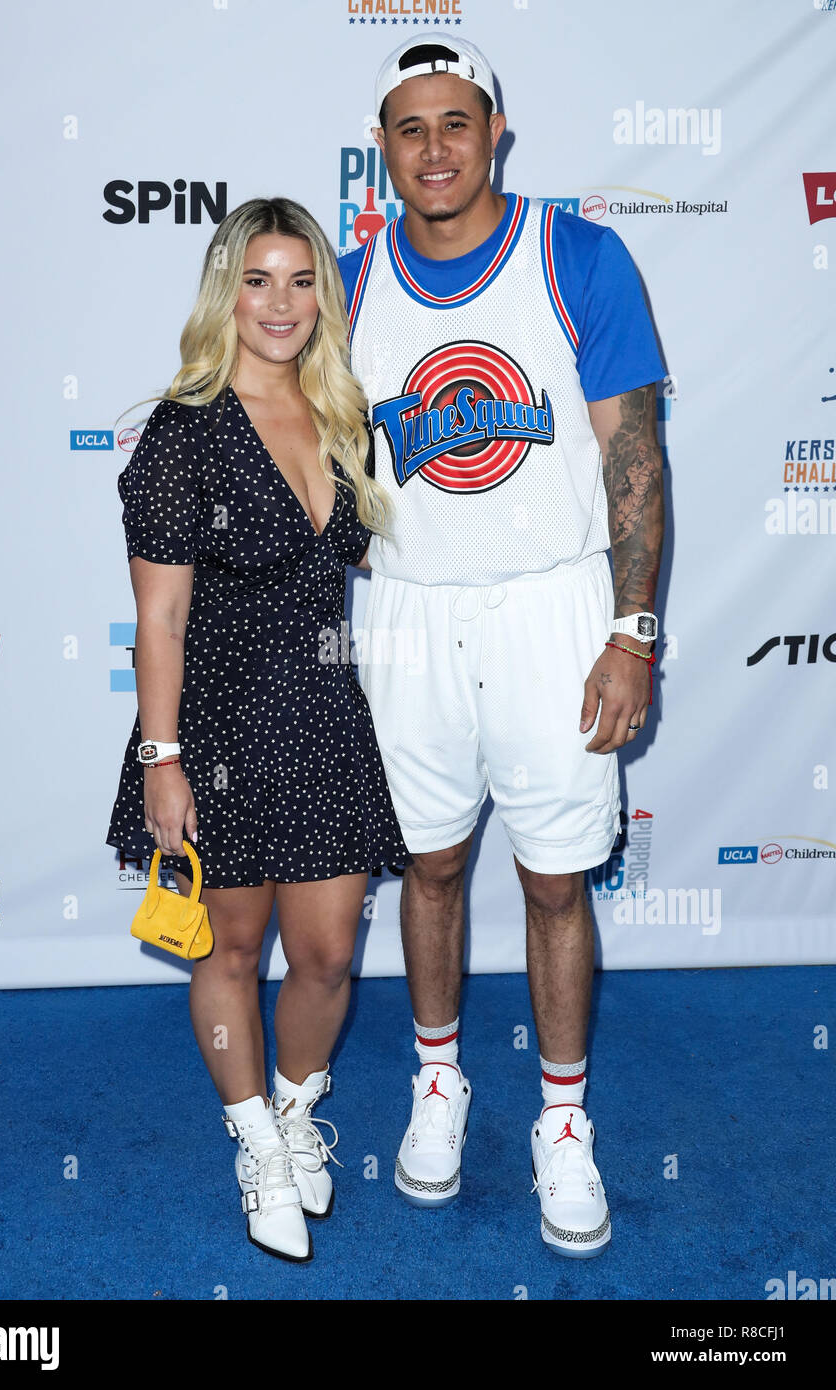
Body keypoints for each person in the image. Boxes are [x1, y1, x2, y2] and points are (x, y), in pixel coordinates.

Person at [338, 34, 666, 1257]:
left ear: (496, 134)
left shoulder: (576, 255)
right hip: (412, 611)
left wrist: (632, 630)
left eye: (456, 123)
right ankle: (437, 1087)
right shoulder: (351, 280)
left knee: (551, 880)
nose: (435, 148)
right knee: (427, 869)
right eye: (410, 128)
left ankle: (564, 1121)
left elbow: (633, 457)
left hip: (554, 608)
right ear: (383, 148)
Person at [105, 196, 407, 1263]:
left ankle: (292, 1114)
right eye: (256, 280)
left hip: (325, 720)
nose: (279, 304)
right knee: (233, 947)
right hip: (217, 729)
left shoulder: (345, 417)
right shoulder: (183, 432)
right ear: (222, 292)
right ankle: (253, 1144)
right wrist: (162, 756)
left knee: (326, 954)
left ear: (324, 293)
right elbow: (162, 616)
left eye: (300, 280)